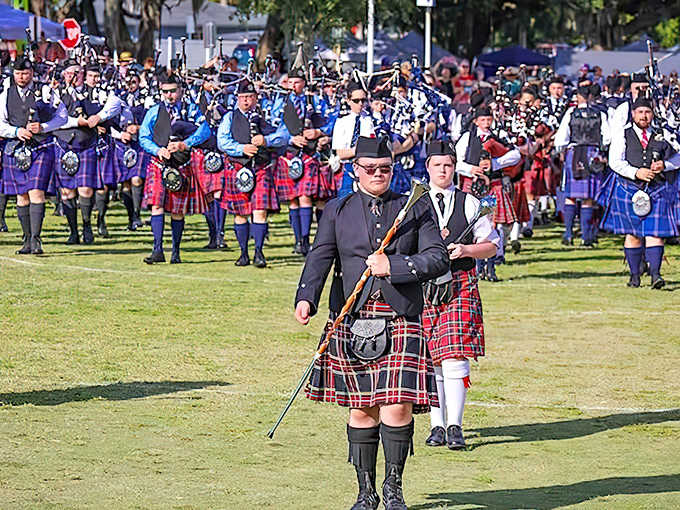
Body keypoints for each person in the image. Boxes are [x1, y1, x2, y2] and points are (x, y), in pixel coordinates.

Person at [295, 136, 449, 510]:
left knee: (397, 406)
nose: (378, 174)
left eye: (385, 169)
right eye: (370, 169)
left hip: (401, 316)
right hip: (352, 317)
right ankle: (366, 493)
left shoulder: (414, 204)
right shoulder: (337, 208)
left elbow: (437, 258)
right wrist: (306, 297)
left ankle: (394, 488)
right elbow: (321, 256)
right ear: (355, 171)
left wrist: (394, 267)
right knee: (362, 409)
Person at [420, 141, 499, 450]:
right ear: (428, 167)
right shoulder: (415, 203)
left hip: (460, 282)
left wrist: (466, 249)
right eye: (437, 165)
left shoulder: (470, 203)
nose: (443, 170)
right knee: (432, 358)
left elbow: (492, 245)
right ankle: (436, 425)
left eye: (448, 165)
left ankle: (455, 426)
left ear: (455, 167)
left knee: (454, 356)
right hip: (424, 285)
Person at [601, 97, 680, 288]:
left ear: (652, 114)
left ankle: (656, 276)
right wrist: (636, 172)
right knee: (633, 234)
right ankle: (635, 276)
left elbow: (678, 157)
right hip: (630, 188)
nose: (644, 116)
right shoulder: (623, 134)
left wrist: (665, 165)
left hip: (657, 188)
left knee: (655, 233)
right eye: (640, 112)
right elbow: (615, 162)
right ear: (633, 114)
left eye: (647, 112)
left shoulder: (663, 134)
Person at [139, 73, 211, 264]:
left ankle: (176, 252)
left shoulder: (191, 109)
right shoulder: (154, 111)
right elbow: (143, 137)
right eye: (165, 91)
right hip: (159, 163)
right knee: (157, 205)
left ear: (180, 90)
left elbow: (205, 130)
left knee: (177, 210)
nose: (169, 95)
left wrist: (185, 144)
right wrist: (157, 149)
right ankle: (157, 250)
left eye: (172, 91)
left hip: (181, 163)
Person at [217, 78, 289, 267]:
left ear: (256, 97)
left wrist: (266, 140)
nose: (247, 101)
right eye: (243, 97)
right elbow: (222, 141)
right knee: (240, 213)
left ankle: (258, 253)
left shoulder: (268, 114)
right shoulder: (230, 117)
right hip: (238, 168)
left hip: (261, 168)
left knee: (260, 211)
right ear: (237, 99)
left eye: (250, 96)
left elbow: (284, 135)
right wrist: (241, 149)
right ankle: (243, 254)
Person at [0, 57, 67, 254]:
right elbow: (0, 123)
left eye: (26, 73)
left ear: (32, 73)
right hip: (16, 147)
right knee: (21, 195)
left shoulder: (45, 91)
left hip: (40, 147)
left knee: (36, 191)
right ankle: (26, 240)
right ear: (14, 73)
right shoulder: (5, 94)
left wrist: (44, 127)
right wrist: (15, 131)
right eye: (18, 74)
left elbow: (62, 117)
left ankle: (37, 240)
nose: (22, 77)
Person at [554, 85, 611, 246]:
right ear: (591, 97)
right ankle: (586, 237)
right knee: (588, 198)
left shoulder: (571, 113)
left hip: (574, 153)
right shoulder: (600, 113)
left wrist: (562, 151)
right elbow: (607, 138)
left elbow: (561, 139)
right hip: (593, 153)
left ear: (579, 97)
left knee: (571, 196)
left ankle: (568, 234)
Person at [331, 81, 375, 198]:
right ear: (349, 101)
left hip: (368, 168)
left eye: (363, 100)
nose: (360, 104)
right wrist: (364, 148)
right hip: (348, 168)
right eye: (356, 101)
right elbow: (341, 154)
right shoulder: (341, 122)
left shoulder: (371, 121)